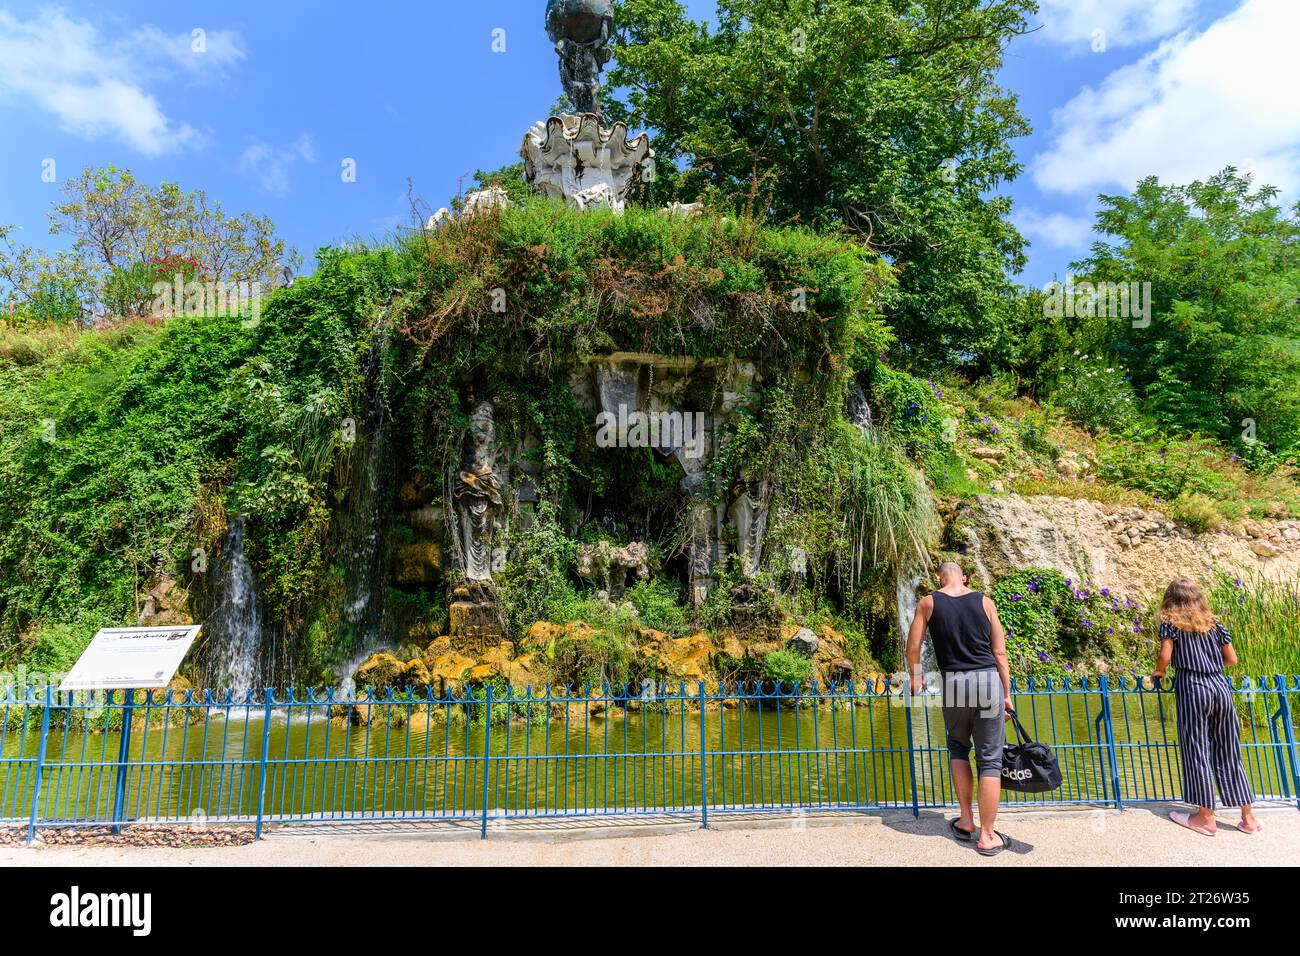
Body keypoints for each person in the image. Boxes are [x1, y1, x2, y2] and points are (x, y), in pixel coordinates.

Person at [906, 561, 1017, 856]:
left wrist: (916, 676)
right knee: (990, 759)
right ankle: (988, 836)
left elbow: (913, 647)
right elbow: (1000, 652)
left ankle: (966, 821)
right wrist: (1007, 694)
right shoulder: (984, 601)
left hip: (953, 681)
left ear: (939, 578)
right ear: (964, 577)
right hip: (987, 679)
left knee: (957, 747)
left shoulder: (928, 602)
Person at [1151, 577, 1261, 836]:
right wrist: (1210, 668)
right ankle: (1248, 819)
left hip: (1193, 687)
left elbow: (1165, 655)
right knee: (1229, 749)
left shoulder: (1171, 625)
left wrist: (1159, 671)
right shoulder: (1214, 624)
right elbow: (1231, 659)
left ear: (1171, 599)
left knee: (1197, 749)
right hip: (1220, 688)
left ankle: (1205, 818)